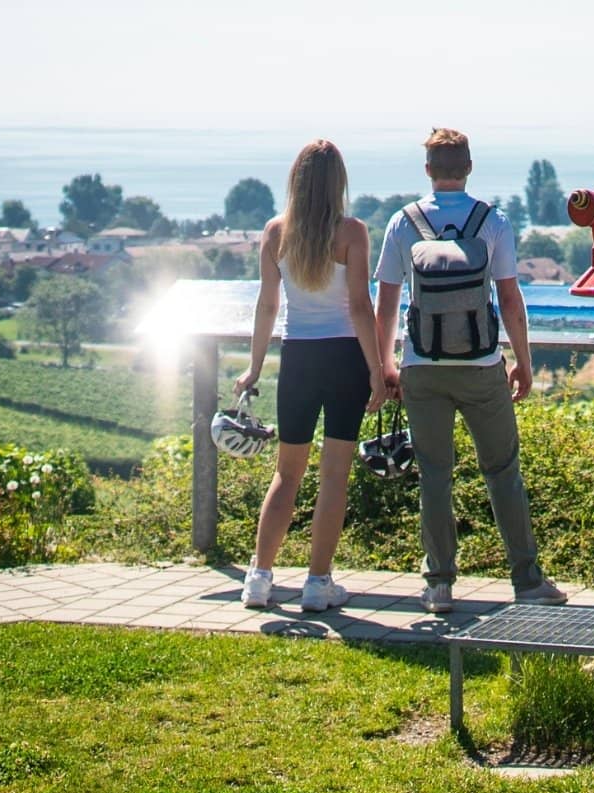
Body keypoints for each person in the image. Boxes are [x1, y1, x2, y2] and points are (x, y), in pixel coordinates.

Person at [374, 128, 567, 613]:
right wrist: (523, 359)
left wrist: (386, 367)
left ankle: (438, 585)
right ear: (468, 167)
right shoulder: (492, 220)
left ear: (428, 171)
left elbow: (386, 303)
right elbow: (509, 297)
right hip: (482, 366)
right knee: (502, 471)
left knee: (435, 475)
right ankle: (527, 581)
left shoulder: (404, 222)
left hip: (422, 367)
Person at [239, 139, 394, 611]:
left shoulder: (274, 232)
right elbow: (359, 307)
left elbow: (268, 306)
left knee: (286, 476)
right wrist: (375, 372)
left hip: (298, 360)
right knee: (334, 477)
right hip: (345, 358)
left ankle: (258, 579)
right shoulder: (352, 232)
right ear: (337, 183)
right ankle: (316, 582)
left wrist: (253, 366)